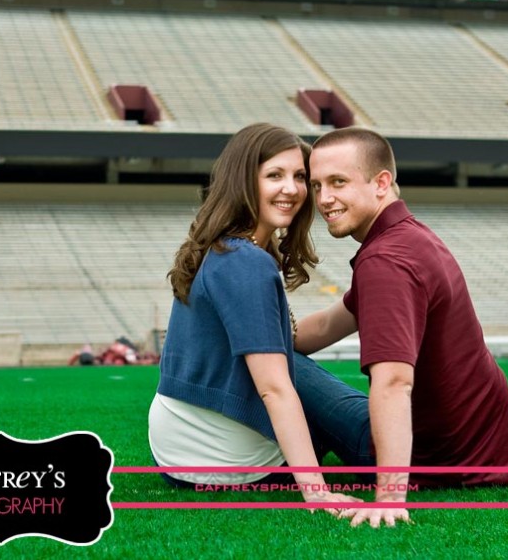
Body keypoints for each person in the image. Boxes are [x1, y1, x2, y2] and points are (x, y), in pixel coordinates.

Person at [295, 126, 508, 528]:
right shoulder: (411, 236)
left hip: (435, 456)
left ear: (381, 183)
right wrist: (260, 325)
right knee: (274, 348)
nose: (323, 200)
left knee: (280, 364)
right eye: (317, 185)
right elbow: (326, 326)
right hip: (490, 445)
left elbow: (393, 384)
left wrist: (389, 497)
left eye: (338, 182)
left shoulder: (386, 261)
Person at [148, 123, 360, 515]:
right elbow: (274, 389)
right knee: (352, 429)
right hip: (224, 459)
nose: (292, 189)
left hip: (178, 448)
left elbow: (292, 340)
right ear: (243, 181)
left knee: (297, 369)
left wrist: (364, 302)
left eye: (300, 177)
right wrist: (317, 492)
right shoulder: (246, 263)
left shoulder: (222, 248)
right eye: (274, 176)